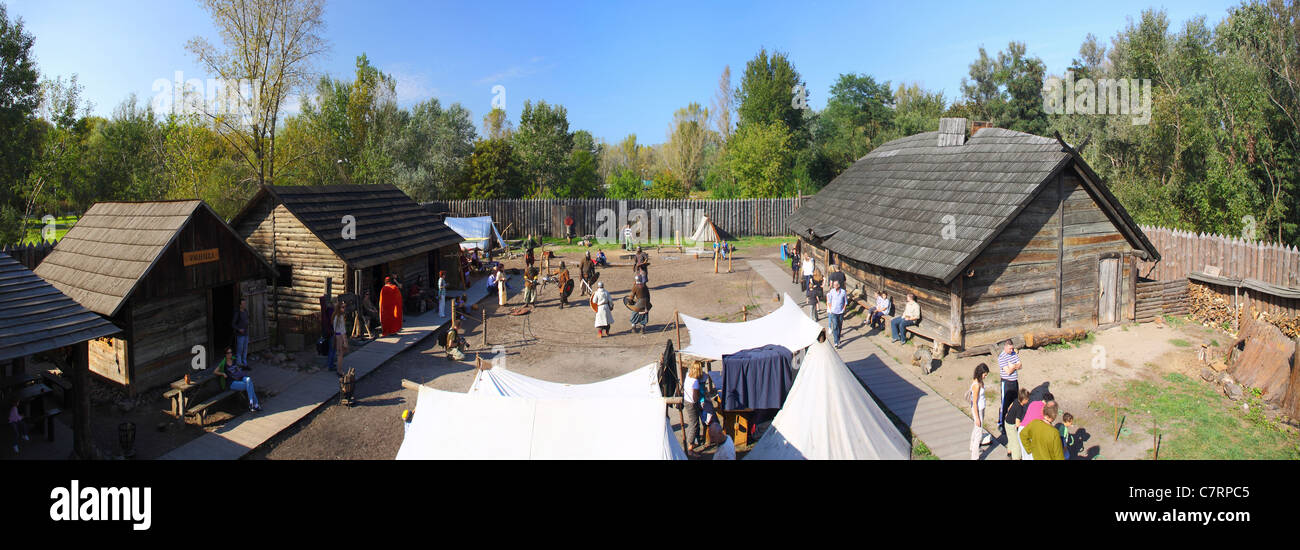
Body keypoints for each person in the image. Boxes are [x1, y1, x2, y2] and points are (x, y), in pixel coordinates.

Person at [216, 347, 261, 412]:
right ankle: (255, 404)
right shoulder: (223, 363)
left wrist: (239, 370)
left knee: (249, 379)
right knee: (249, 385)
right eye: (228, 353)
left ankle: (251, 402)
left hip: (239, 378)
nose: (230, 354)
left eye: (231, 352)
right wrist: (222, 373)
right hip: (232, 383)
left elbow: (237, 368)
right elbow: (215, 371)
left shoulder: (233, 360)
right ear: (225, 354)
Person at [997, 339, 1022, 435]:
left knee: (1015, 402)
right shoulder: (1002, 357)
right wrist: (1015, 366)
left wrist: (1013, 366)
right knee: (1004, 404)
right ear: (1005, 347)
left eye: (1012, 348)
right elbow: (1008, 371)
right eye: (1010, 349)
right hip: (1006, 383)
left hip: (1014, 381)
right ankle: (1001, 423)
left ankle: (1013, 421)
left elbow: (1020, 365)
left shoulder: (1013, 354)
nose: (1012, 350)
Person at [969, 363, 991, 460]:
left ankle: (972, 446)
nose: (985, 377)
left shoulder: (980, 381)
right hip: (977, 409)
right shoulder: (976, 385)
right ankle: (975, 456)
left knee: (976, 428)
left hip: (982, 408)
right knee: (979, 432)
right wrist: (977, 417)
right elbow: (974, 403)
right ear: (981, 373)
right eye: (985, 375)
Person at [683, 362, 703, 452]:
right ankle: (690, 446)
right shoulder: (695, 382)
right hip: (691, 403)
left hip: (686, 400)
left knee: (692, 421)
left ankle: (691, 441)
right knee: (694, 423)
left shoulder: (688, 375)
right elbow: (695, 398)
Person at [1005, 388, 1031, 460]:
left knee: (1010, 438)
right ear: (1024, 400)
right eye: (1027, 399)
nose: (1028, 401)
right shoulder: (1020, 408)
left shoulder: (1016, 400)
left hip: (1006, 422)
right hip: (1012, 426)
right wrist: (1024, 424)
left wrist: (1008, 414)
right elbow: (1017, 423)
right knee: (1016, 443)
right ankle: (1016, 457)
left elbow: (1009, 407)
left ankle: (1009, 451)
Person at [826, 279, 847, 348]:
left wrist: (844, 309)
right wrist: (830, 308)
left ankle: (838, 338)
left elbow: (845, 302)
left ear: (839, 285)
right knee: (835, 326)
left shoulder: (843, 292)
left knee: (839, 326)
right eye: (833, 285)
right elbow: (829, 301)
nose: (834, 286)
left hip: (840, 312)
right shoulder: (832, 291)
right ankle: (835, 342)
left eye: (836, 285)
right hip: (833, 312)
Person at [232, 297, 250, 368]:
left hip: (246, 333)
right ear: (240, 305)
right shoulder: (237, 313)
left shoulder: (246, 311)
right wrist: (239, 329)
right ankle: (239, 363)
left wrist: (248, 323)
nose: (244, 305)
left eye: (245, 303)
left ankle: (244, 363)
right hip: (240, 335)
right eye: (243, 304)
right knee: (240, 349)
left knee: (245, 349)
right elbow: (233, 324)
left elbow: (247, 319)